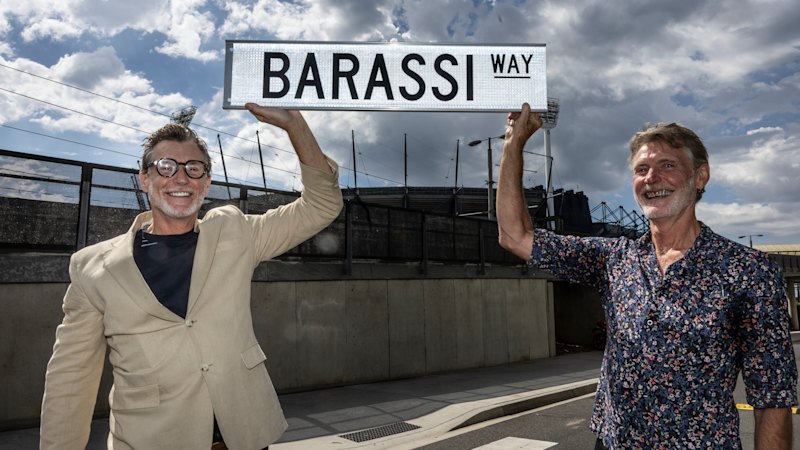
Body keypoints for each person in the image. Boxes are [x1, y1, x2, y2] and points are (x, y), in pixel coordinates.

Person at [40, 104, 343, 450]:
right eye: (166, 167)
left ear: (207, 182)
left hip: (243, 437)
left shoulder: (234, 231)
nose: (181, 178)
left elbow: (322, 205)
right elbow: (70, 377)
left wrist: (295, 125)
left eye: (194, 168)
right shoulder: (91, 267)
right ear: (144, 178)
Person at [496, 103, 797, 449]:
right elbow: (514, 236)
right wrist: (512, 144)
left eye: (667, 165)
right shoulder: (614, 259)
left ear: (700, 176)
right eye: (642, 169)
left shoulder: (749, 272)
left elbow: (772, 396)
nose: (651, 179)